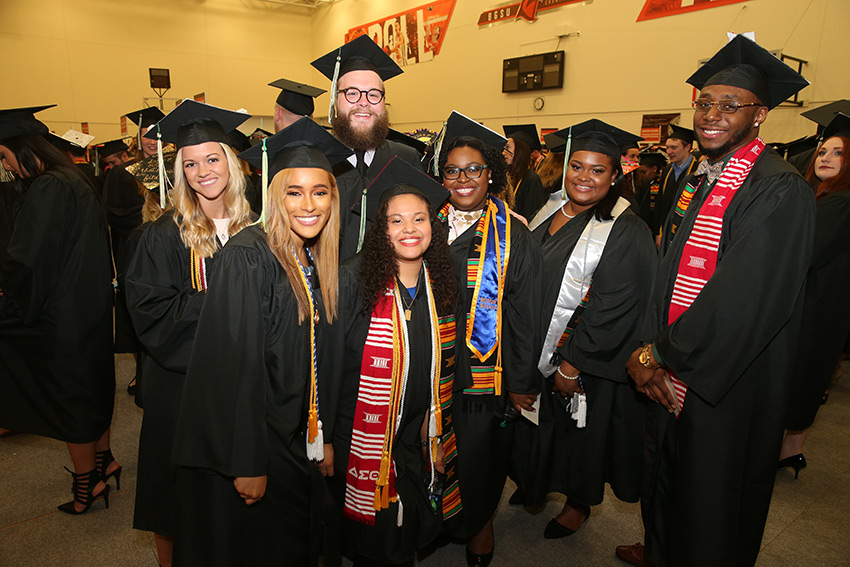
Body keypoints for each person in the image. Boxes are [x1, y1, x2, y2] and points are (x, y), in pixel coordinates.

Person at [621, 34, 814, 567]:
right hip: (675, 364)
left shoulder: (778, 188)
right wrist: (649, 347)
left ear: (761, 115)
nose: (711, 114)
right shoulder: (703, 181)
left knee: (709, 504)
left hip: (726, 381)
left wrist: (659, 355)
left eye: (730, 105)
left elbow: (744, 297)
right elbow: (665, 274)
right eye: (705, 101)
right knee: (668, 485)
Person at [171, 117, 353, 567]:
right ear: (275, 196)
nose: (308, 204)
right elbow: (233, 370)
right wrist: (246, 461)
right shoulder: (247, 258)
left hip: (297, 439)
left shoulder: (313, 258)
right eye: (294, 191)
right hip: (261, 447)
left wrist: (322, 435)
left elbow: (320, 358)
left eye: (320, 191)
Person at [125, 100, 253, 567]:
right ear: (180, 170)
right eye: (191, 163)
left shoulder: (259, 226)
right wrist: (231, 300)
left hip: (245, 387)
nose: (203, 171)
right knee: (176, 500)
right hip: (181, 389)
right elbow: (152, 314)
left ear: (232, 161)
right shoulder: (163, 234)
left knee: (237, 497)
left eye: (212, 158)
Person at [515, 121, 656, 539]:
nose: (584, 177)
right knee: (537, 426)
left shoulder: (625, 229)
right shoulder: (550, 208)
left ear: (615, 176)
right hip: (534, 339)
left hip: (583, 355)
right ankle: (535, 483)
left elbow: (615, 306)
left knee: (580, 436)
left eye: (598, 170)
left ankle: (578, 503)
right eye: (577, 166)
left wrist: (573, 364)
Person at [332, 157, 460, 566]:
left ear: (432, 226)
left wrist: (431, 429)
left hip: (415, 432)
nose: (409, 230)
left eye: (419, 219)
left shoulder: (439, 282)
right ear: (380, 231)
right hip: (362, 437)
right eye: (396, 221)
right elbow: (331, 371)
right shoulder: (352, 282)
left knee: (407, 528)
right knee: (378, 540)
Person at [0, 105, 119, 514]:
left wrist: (10, 292)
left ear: (23, 148)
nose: (7, 165)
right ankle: (106, 461)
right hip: (90, 307)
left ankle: (88, 487)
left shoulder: (49, 187)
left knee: (72, 399)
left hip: (62, 314)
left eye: (4, 155)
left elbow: (29, 260)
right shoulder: (76, 176)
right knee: (94, 387)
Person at [436, 111, 542, 567]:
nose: (463, 179)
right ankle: (438, 520)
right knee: (433, 448)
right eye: (453, 170)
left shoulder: (514, 234)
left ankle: (480, 524)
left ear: (491, 174)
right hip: (430, 365)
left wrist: (520, 381)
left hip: (485, 372)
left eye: (474, 169)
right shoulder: (423, 225)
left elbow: (525, 316)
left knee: (480, 456)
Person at [778, 112, 850, 476]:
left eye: (838, 153)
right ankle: (791, 450)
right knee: (808, 375)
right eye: (823, 151)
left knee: (796, 374)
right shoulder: (824, 197)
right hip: (823, 307)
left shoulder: (838, 203)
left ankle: (782, 450)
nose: (825, 158)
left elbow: (803, 256)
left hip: (812, 308)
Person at [312, 35, 425, 260]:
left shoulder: (405, 158)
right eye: (352, 93)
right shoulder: (314, 161)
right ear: (335, 101)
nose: (364, 102)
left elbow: (429, 220)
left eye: (374, 95)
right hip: (325, 287)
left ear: (383, 104)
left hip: (390, 288)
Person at [654, 124, 696, 244]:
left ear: (687, 147)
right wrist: (658, 233)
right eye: (667, 148)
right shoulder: (667, 170)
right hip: (666, 232)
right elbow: (660, 203)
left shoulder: (698, 170)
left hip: (687, 232)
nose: (669, 152)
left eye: (673, 148)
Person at [502, 124, 548, 221]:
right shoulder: (509, 176)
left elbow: (533, 215)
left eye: (508, 147)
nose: (503, 152)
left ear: (520, 150)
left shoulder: (532, 180)